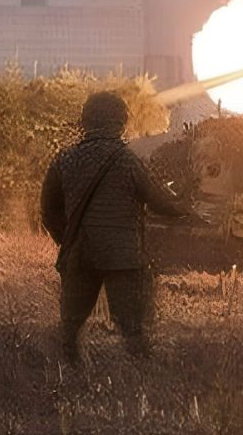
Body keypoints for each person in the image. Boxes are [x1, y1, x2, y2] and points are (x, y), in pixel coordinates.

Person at [40, 92, 192, 362]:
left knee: (71, 330)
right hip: (122, 257)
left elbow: (48, 211)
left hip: (79, 254)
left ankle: (71, 378)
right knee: (132, 330)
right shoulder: (128, 161)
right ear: (120, 122)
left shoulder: (65, 160)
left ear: (85, 121)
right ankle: (139, 379)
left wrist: (68, 239)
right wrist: (186, 202)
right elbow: (160, 203)